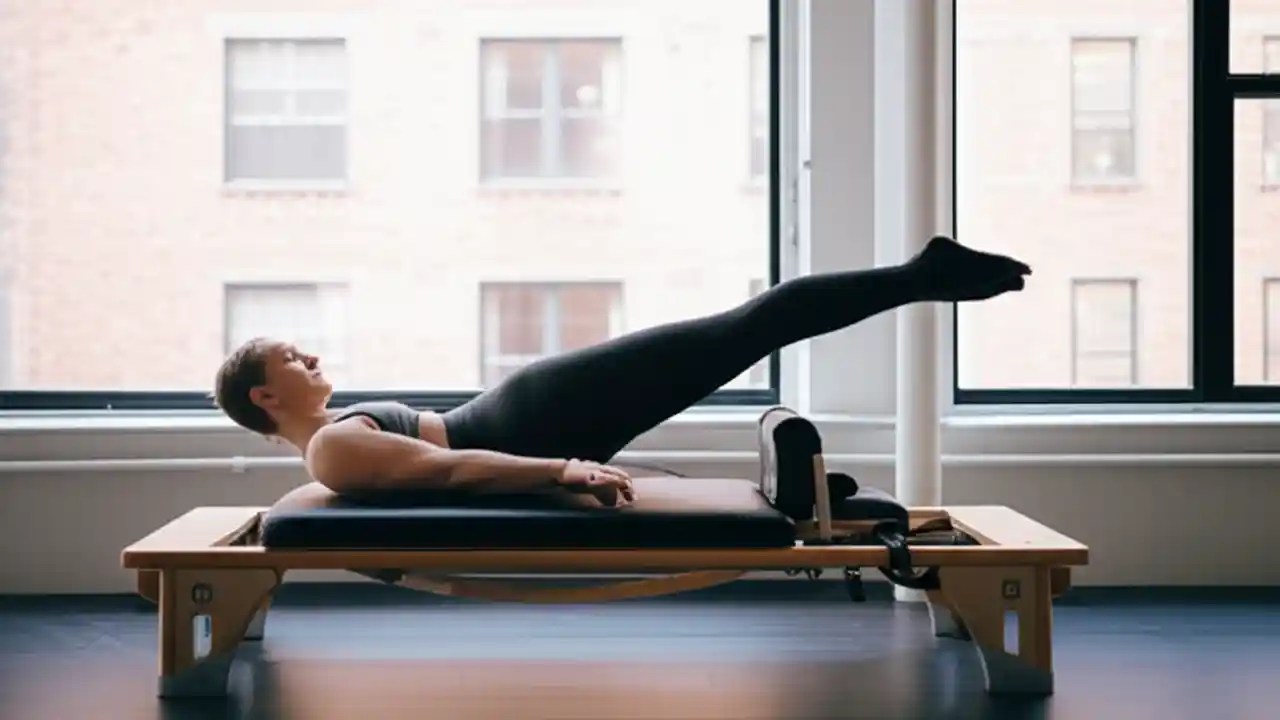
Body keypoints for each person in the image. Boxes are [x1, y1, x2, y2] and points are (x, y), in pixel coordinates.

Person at [213, 236, 1030, 507]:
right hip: (531, 423)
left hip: (535, 412)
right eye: (293, 358)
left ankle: (922, 277)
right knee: (748, 328)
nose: (312, 358)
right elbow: (452, 467)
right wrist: (562, 469)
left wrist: (562, 463)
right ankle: (920, 279)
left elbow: (440, 464)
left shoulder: (326, 452)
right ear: (265, 396)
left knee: (743, 331)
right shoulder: (328, 451)